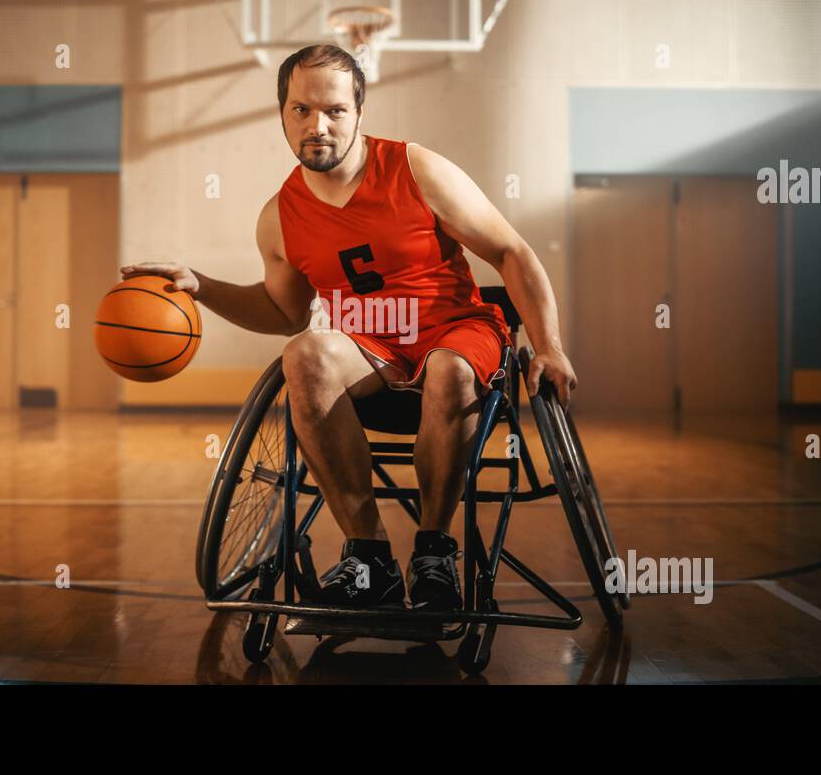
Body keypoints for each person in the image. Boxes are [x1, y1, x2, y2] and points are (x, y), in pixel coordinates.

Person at [123, 44, 576, 611]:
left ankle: (433, 550)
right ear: (283, 114)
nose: (319, 125)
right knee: (305, 351)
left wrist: (551, 346)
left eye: (335, 110)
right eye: (302, 110)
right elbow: (283, 312)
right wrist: (204, 286)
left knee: (449, 369)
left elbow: (511, 252)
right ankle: (369, 557)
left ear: (359, 111)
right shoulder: (279, 216)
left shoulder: (416, 169)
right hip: (373, 352)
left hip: (457, 333)